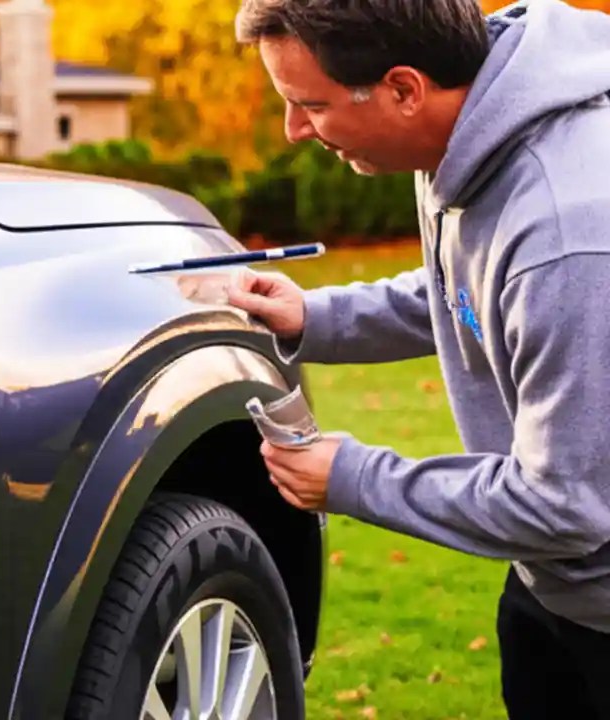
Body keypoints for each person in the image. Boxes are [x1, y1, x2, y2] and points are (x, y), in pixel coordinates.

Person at [225, 0, 610, 716]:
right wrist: (314, 316)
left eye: (311, 104)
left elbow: (569, 507)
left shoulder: (568, 231)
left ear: (404, 89)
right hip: (552, 592)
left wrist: (350, 476)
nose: (294, 130)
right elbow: (464, 291)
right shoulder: (463, 138)